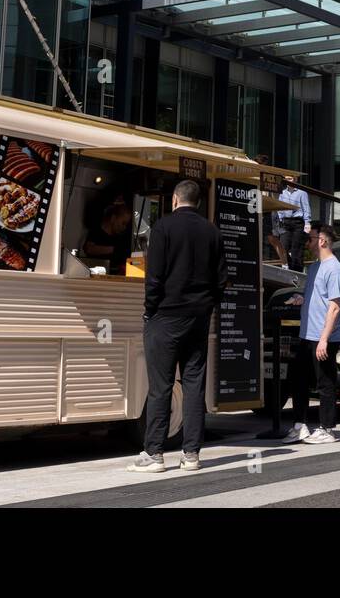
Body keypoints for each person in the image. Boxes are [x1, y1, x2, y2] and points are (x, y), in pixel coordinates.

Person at [128, 179, 226, 473]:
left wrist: (149, 311)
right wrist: (207, 305)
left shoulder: (163, 228)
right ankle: (191, 454)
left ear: (174, 199)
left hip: (165, 316)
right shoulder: (212, 231)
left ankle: (154, 454)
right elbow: (221, 279)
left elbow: (154, 277)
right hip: (198, 318)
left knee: (161, 386)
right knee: (195, 385)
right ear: (196, 201)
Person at [282, 224, 340, 445]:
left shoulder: (335, 269)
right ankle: (300, 426)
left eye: (310, 239)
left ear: (322, 240)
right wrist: (302, 299)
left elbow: (335, 307)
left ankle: (327, 428)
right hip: (308, 335)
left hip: (323, 337)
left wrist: (324, 339)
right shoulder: (315, 268)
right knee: (298, 380)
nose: (306, 243)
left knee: (325, 382)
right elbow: (319, 297)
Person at [83, 200, 133, 274]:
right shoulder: (96, 231)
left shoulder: (120, 237)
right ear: (113, 218)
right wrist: (114, 249)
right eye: (123, 223)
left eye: (126, 224)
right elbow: (89, 249)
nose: (124, 227)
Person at [274, 175, 311, 271]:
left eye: (290, 179)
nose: (288, 181)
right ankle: (287, 267)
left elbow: (306, 208)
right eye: (286, 179)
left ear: (295, 179)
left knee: (297, 249)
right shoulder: (282, 193)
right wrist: (281, 219)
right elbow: (279, 207)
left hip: (298, 222)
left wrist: (307, 223)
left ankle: (296, 271)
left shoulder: (302, 193)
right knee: (283, 246)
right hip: (285, 222)